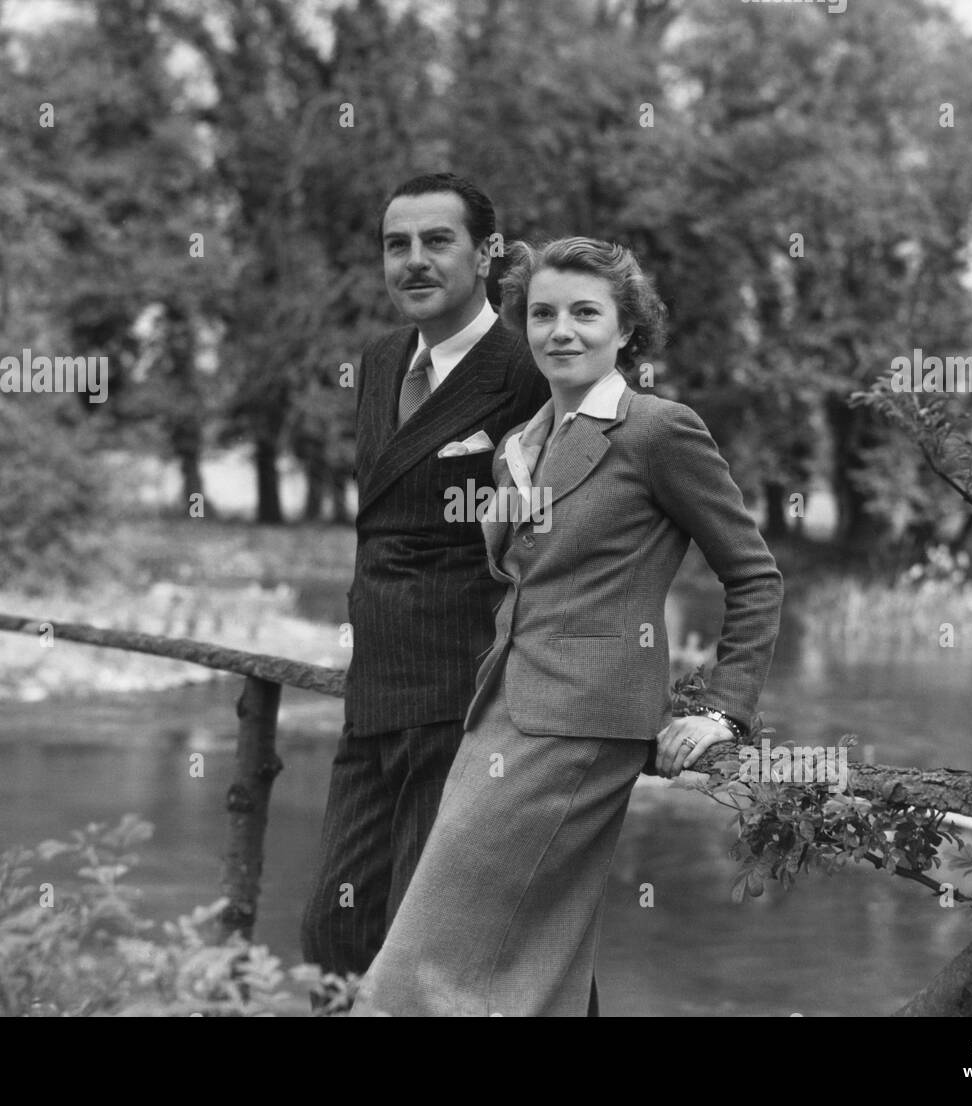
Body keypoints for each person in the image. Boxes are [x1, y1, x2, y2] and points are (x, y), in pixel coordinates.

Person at [351, 236, 784, 1016]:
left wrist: (724, 711)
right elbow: (521, 585)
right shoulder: (515, 448)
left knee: (412, 973)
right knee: (534, 968)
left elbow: (753, 574)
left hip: (582, 724)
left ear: (627, 331)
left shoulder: (657, 429)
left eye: (587, 313)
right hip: (498, 715)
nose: (563, 331)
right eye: (544, 313)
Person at [300, 173, 549, 979]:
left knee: (427, 947)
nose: (413, 261)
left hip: (464, 698)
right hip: (373, 690)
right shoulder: (378, 362)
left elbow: (556, 537)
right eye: (395, 244)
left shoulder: (527, 370)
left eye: (436, 241)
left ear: (487, 255)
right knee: (334, 932)